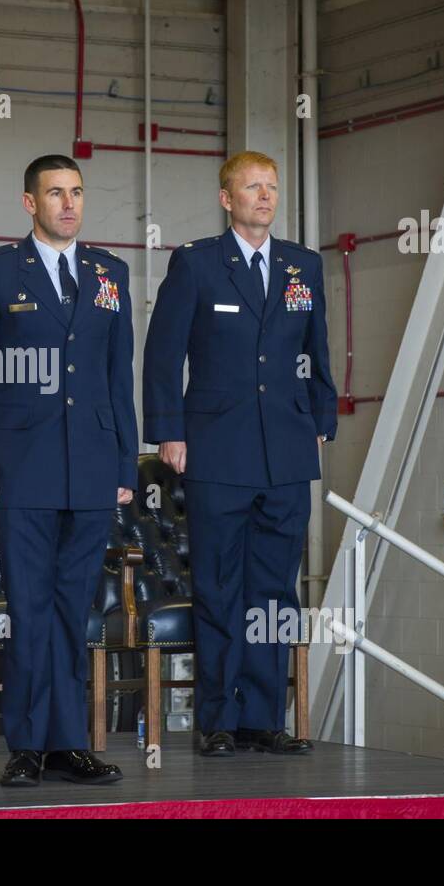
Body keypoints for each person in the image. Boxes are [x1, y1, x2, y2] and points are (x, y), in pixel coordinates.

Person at [0, 154, 137, 787]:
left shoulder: (111, 272)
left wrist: (124, 462)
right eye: (55, 193)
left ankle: (68, 743)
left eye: (77, 192)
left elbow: (118, 376)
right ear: (29, 203)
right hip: (18, 467)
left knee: (72, 609)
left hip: (90, 465)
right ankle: (26, 744)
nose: (69, 204)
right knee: (29, 608)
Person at [143, 150, 337, 757]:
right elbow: (161, 355)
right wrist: (168, 430)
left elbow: (317, 349)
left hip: (285, 454)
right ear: (227, 198)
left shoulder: (304, 266)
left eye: (272, 188)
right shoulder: (197, 263)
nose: (265, 196)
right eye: (252, 187)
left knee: (276, 590)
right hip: (215, 453)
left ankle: (262, 718)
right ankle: (217, 719)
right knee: (221, 586)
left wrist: (321, 418)